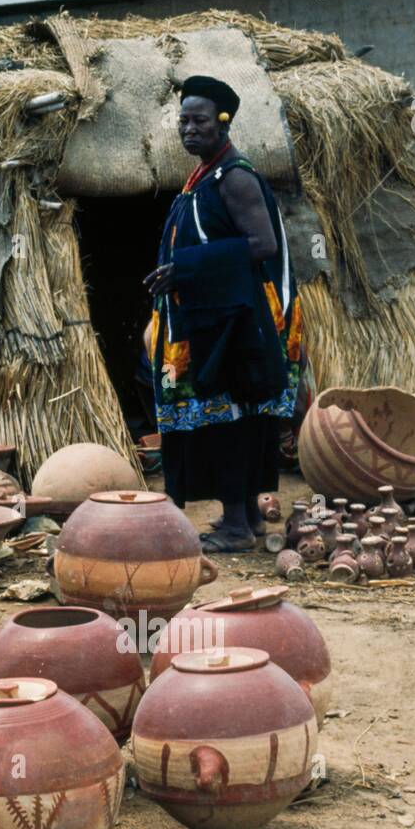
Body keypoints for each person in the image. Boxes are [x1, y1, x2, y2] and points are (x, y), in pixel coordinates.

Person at [144, 74, 302, 552]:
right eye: (184, 120)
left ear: (223, 122)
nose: (189, 129)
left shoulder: (235, 177)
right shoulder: (205, 177)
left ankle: (234, 525)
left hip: (240, 320)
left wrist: (186, 268)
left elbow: (262, 244)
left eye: (200, 121)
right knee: (235, 414)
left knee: (230, 415)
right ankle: (249, 517)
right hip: (219, 314)